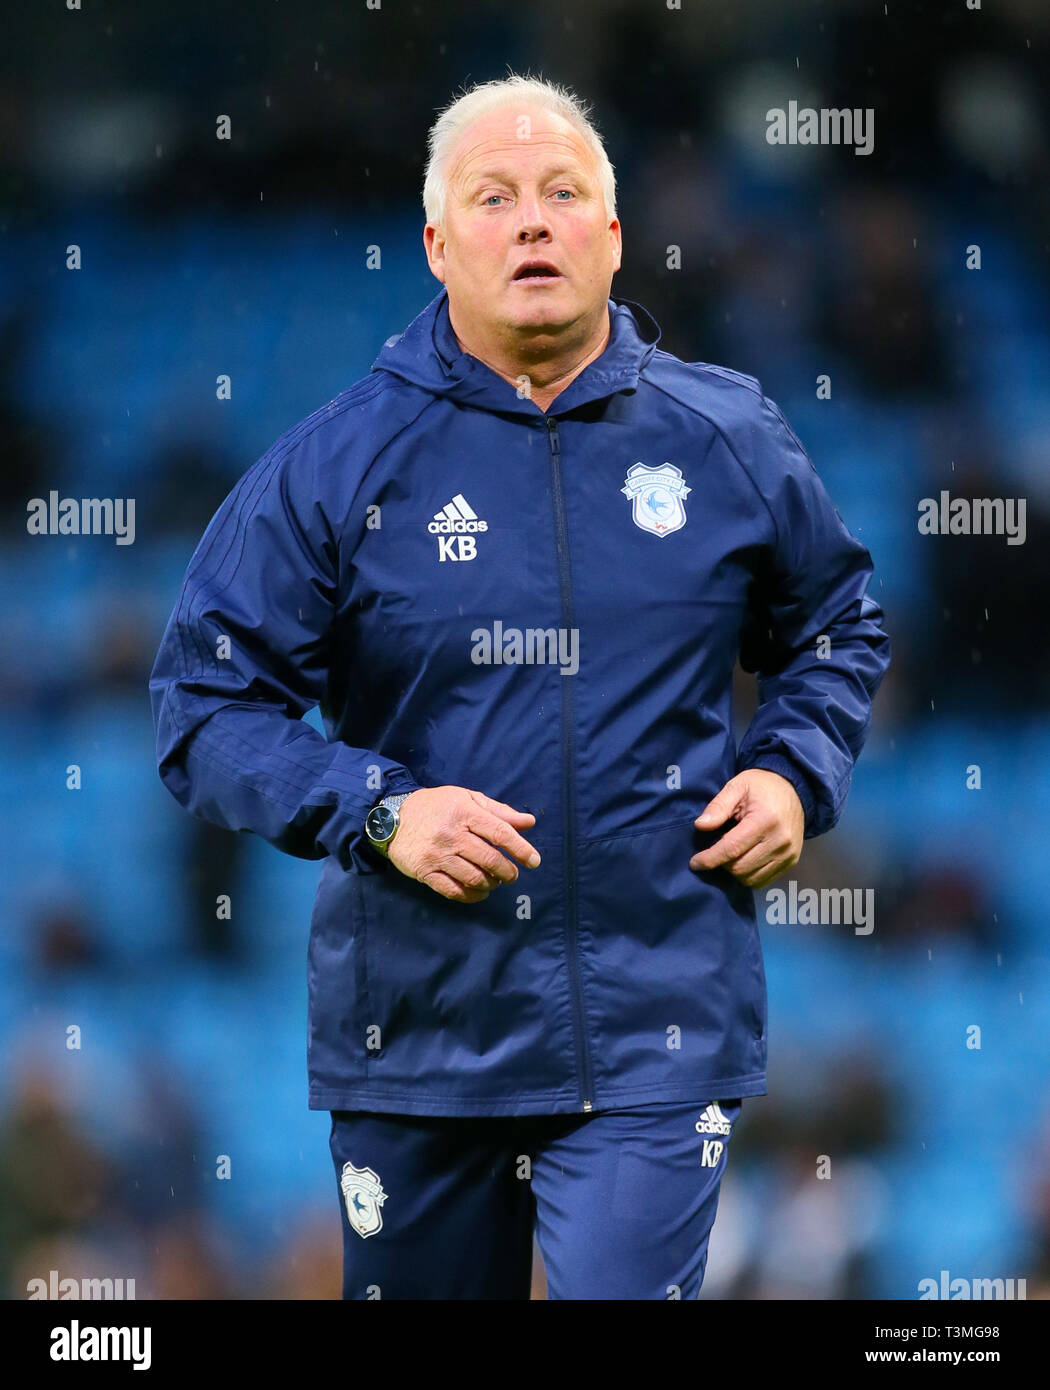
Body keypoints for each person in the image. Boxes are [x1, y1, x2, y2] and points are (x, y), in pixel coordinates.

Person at [149, 73, 891, 1300]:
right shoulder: (336, 467)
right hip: (422, 1034)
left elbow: (837, 624)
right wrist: (380, 806)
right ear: (439, 245)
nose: (533, 221)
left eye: (563, 194)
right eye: (494, 197)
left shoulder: (729, 438)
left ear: (612, 236)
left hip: (659, 1027)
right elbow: (204, 702)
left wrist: (792, 772)